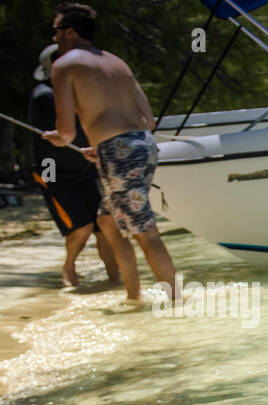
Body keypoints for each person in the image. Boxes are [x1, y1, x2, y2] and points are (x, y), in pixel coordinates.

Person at [41, 2, 177, 304]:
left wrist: (59, 139)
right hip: (142, 145)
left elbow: (66, 133)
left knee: (144, 232)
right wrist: (105, 147)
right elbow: (149, 120)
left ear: (71, 32)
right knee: (106, 222)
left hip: (120, 151)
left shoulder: (64, 65)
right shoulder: (116, 62)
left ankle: (176, 302)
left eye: (56, 31)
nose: (54, 39)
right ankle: (133, 297)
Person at [29, 42, 118, 290]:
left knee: (103, 225)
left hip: (82, 167)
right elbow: (67, 134)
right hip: (51, 168)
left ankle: (116, 280)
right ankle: (69, 269)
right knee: (82, 226)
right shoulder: (44, 96)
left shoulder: (78, 93)